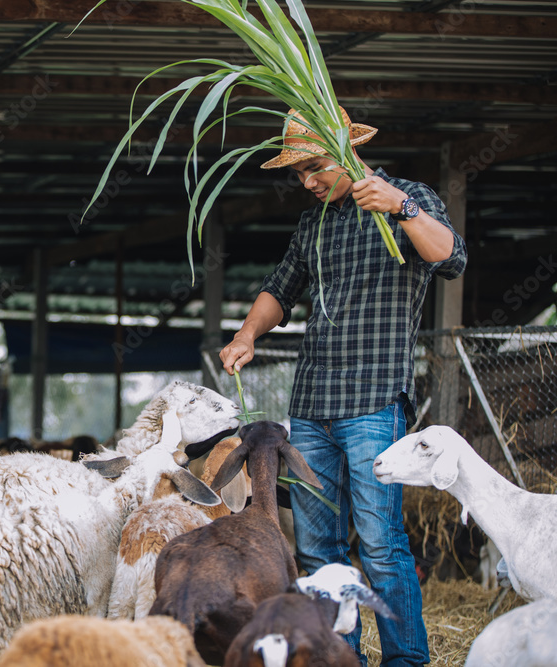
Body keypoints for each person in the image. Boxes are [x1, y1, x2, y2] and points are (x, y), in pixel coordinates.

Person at [219, 107, 466, 667]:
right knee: (316, 548)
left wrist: (400, 208)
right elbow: (279, 289)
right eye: (299, 173)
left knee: (381, 545)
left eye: (314, 168)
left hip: (374, 402)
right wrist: (246, 334)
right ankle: (336, 655)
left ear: (346, 149)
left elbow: (451, 257)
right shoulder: (313, 224)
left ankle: (406, 659)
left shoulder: (408, 196)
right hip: (310, 408)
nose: (306, 181)